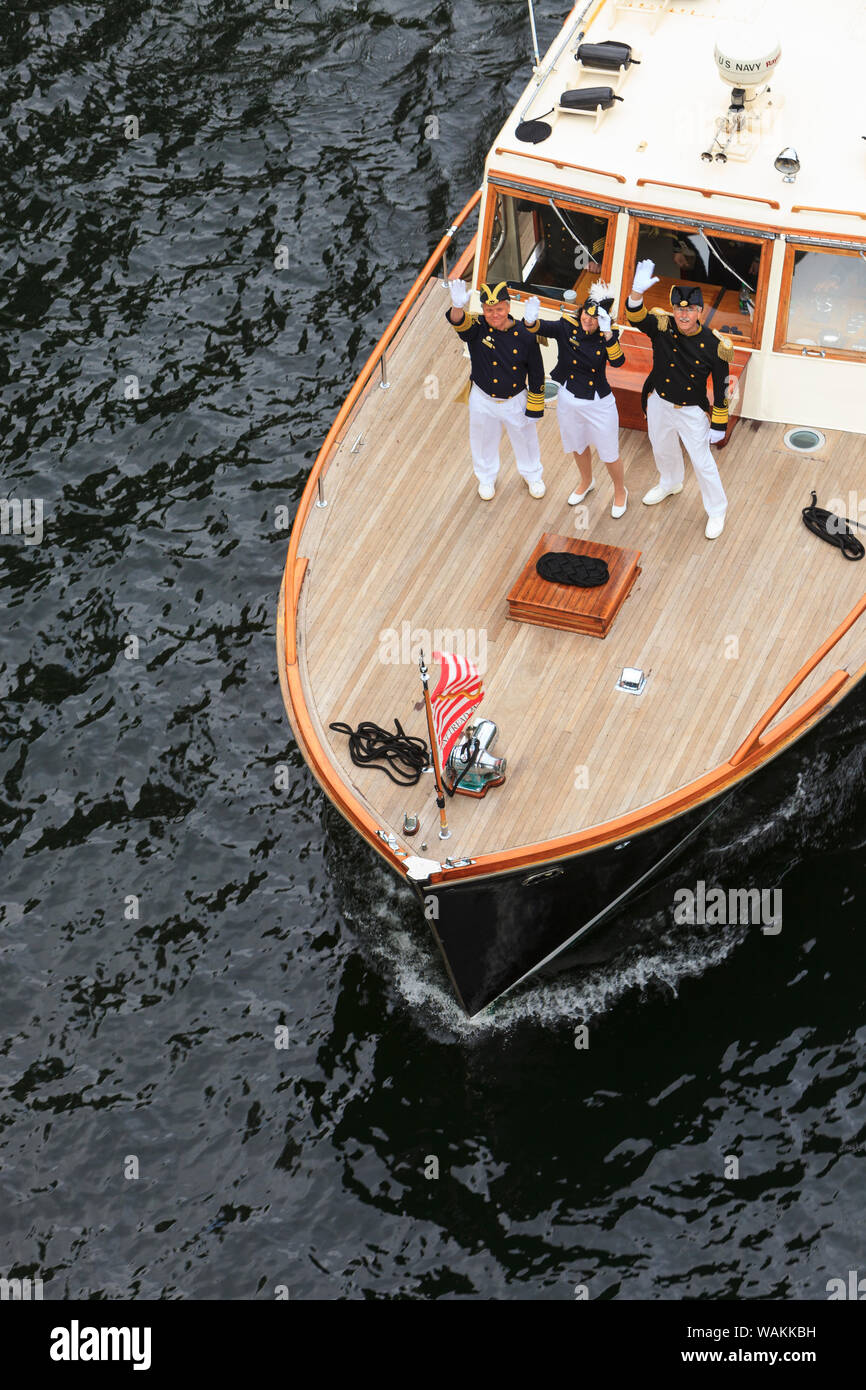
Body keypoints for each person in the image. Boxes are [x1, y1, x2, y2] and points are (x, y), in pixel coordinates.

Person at [626, 259, 733, 539]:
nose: (683, 315)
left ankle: (717, 509)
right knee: (661, 447)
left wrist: (719, 424)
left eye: (689, 310)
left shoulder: (715, 345)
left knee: (701, 461)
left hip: (691, 411)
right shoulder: (662, 326)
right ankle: (670, 482)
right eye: (678, 309)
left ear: (700, 311)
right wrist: (637, 294)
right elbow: (635, 317)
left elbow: (722, 386)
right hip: (659, 402)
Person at [523, 281, 628, 516]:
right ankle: (586, 482)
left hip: (598, 403)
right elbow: (541, 328)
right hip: (568, 397)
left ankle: (620, 491)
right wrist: (529, 321)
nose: (587, 321)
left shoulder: (606, 335)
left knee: (609, 453)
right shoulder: (567, 326)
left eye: (593, 318)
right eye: (585, 315)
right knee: (577, 445)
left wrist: (608, 333)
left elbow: (619, 362)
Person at [447, 279, 546, 500]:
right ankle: (486, 478)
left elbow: (537, 372)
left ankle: (532, 475)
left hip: (515, 399)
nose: (495, 314)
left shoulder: (526, 334)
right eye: (489, 310)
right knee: (482, 440)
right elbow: (458, 322)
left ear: (508, 307)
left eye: (499, 309)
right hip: (483, 398)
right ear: (483, 310)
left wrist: (535, 405)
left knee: (526, 439)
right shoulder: (477, 327)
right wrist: (457, 305)